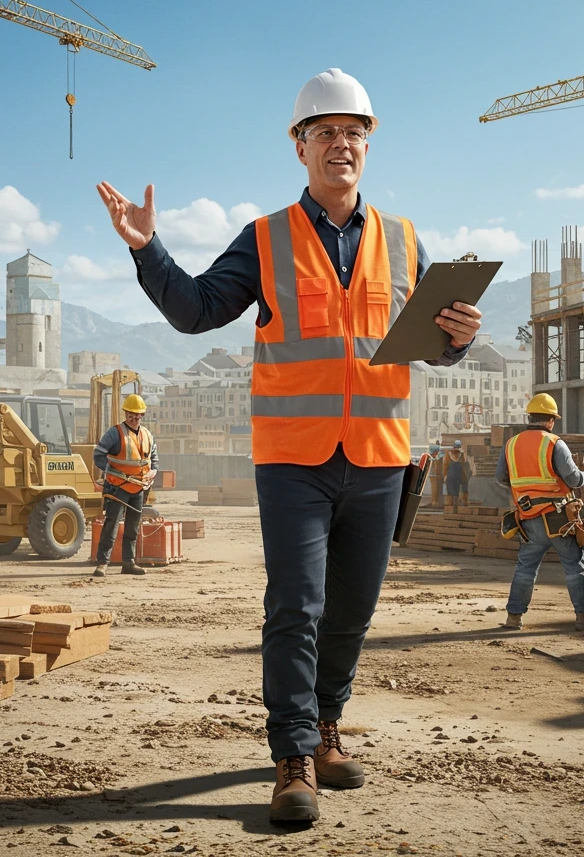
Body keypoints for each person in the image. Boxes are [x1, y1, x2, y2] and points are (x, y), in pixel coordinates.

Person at [95, 68, 482, 824]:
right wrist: (148, 251)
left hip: (378, 454)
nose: (342, 144)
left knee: (352, 611)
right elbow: (198, 311)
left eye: (354, 133)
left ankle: (328, 725)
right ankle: (293, 756)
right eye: (326, 132)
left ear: (369, 146)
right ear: (299, 148)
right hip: (293, 460)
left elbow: (428, 341)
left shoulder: (404, 240)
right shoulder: (266, 238)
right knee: (295, 607)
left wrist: (458, 341)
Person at [496, 393, 584, 633]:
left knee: (525, 568)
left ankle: (514, 618)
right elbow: (574, 479)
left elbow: (501, 477)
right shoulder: (554, 443)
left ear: (530, 417)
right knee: (574, 566)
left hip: (527, 517)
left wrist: (525, 491)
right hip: (558, 519)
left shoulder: (511, 444)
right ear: (552, 420)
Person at [92, 393, 157, 577]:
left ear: (142, 415)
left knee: (132, 527)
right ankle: (102, 562)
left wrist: (154, 471)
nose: (134, 418)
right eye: (131, 414)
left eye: (137, 415)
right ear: (125, 414)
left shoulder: (147, 435)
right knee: (111, 524)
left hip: (138, 488)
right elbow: (98, 455)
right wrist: (110, 472)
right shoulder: (115, 433)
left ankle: (129, 563)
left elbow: (154, 459)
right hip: (118, 487)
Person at [443, 439, 473, 506]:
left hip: (450, 475)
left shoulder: (448, 454)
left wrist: (445, 475)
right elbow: (463, 464)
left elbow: (445, 465)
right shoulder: (461, 454)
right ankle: (455, 504)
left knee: (450, 490)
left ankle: (450, 505)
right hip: (457, 475)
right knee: (456, 491)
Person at [419, 443, 444, 508]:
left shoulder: (436, 459)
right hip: (435, 476)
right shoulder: (438, 458)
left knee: (436, 490)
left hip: (435, 476)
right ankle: (435, 502)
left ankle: (435, 502)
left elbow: (435, 469)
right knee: (436, 490)